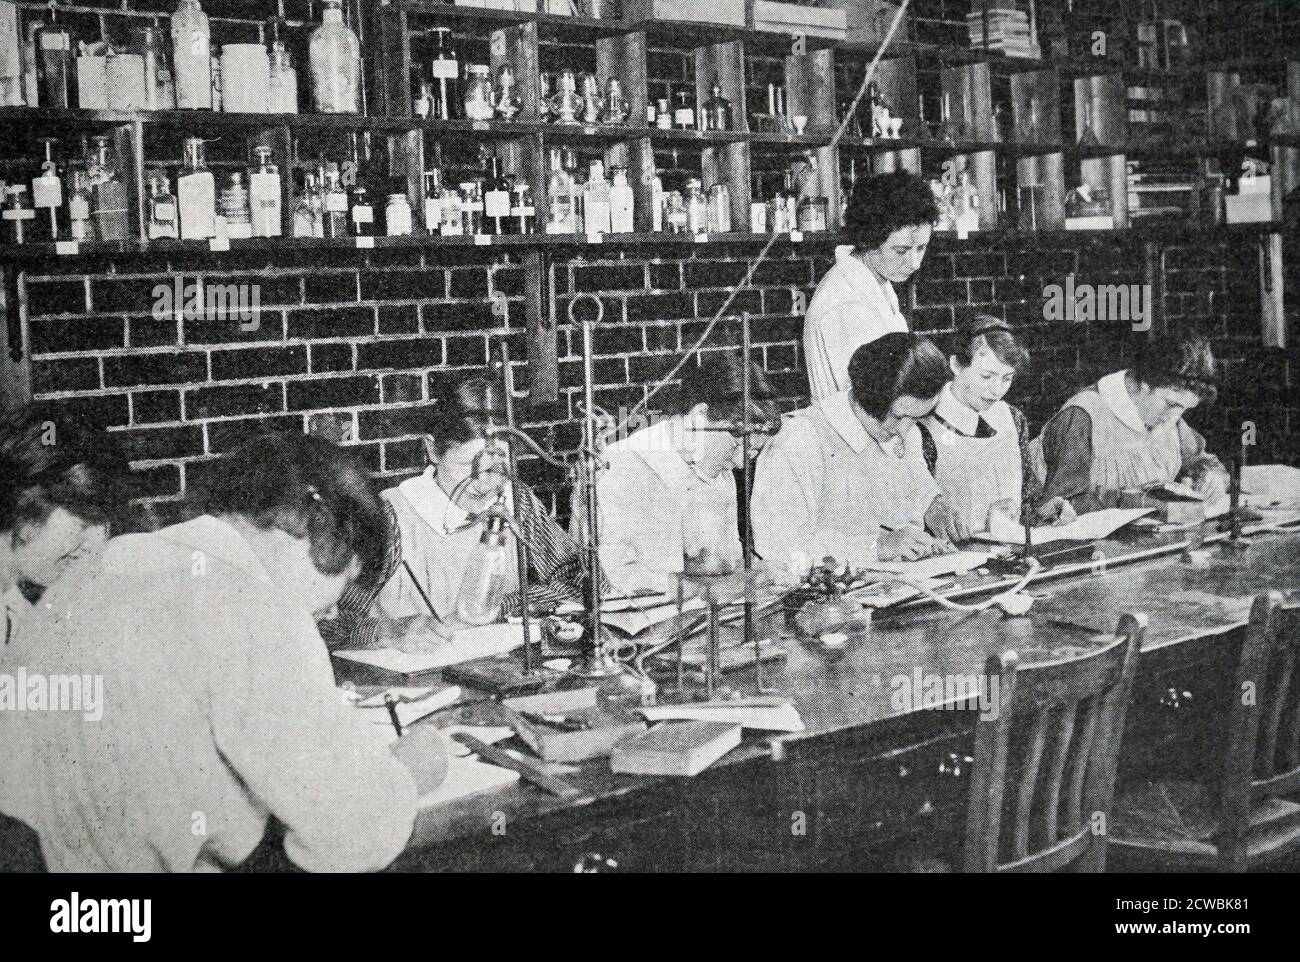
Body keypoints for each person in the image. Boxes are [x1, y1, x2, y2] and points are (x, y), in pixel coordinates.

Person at [9, 432, 448, 872]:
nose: (329, 610)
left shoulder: (99, 568)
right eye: (342, 583)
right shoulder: (261, 612)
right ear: (317, 533)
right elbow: (347, 832)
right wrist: (405, 777)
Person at [319, 375, 590, 652]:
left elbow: (582, 580)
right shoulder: (390, 518)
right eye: (465, 465)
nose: (483, 484)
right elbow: (323, 622)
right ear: (433, 450)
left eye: (496, 468)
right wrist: (388, 630)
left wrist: (497, 607)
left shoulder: (515, 502)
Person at [0, 405, 138, 872]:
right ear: (22, 506)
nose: (97, 543)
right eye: (83, 521)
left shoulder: (19, 601)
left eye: (104, 523)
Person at [753, 332, 966, 572]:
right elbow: (778, 549)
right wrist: (877, 546)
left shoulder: (905, 430)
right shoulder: (798, 439)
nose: (905, 431)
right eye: (899, 417)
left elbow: (917, 490)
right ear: (865, 399)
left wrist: (933, 506)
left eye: (917, 418)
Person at [593, 352, 779, 595]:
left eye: (752, 452)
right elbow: (611, 579)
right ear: (699, 416)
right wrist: (709, 590)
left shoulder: (718, 469)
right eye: (737, 445)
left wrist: (758, 571)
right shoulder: (621, 467)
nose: (740, 464)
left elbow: (724, 564)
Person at [1031, 332, 1229, 512]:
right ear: (1144, 385)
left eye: (1184, 408)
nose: (1176, 416)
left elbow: (1203, 460)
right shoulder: (1082, 416)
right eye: (1172, 404)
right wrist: (1141, 499)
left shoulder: (1169, 418)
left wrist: (1212, 477)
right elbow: (1059, 506)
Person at [916, 315, 1076, 535]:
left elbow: (1026, 500)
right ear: (956, 365)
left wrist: (1044, 511)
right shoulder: (923, 424)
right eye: (986, 376)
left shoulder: (1013, 419)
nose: (997, 390)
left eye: (1007, 378)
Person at [803, 170, 939, 401]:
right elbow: (876, 401)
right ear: (869, 240)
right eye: (902, 250)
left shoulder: (873, 281)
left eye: (921, 248)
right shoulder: (848, 304)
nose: (915, 263)